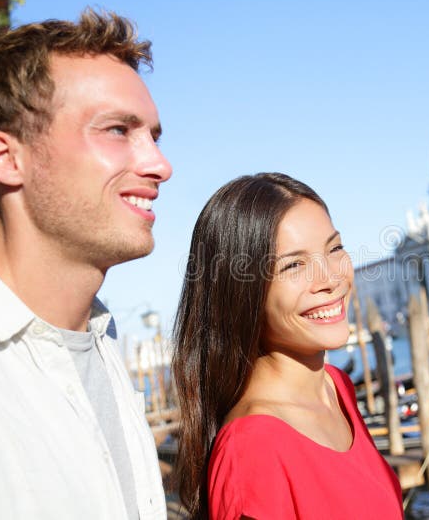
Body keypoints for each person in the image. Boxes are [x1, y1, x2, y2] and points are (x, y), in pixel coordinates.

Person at [0, 10, 172, 519]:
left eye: (153, 135)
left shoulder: (99, 345)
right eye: (116, 130)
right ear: (6, 158)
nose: (160, 166)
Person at [172, 173, 402, 519]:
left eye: (334, 248)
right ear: (240, 294)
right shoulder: (252, 449)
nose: (330, 279)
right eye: (294, 265)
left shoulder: (336, 387)